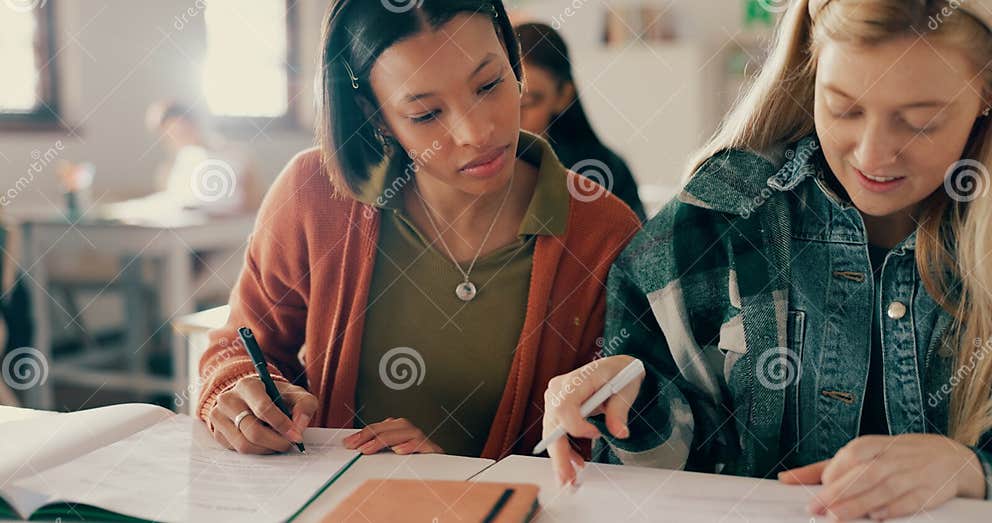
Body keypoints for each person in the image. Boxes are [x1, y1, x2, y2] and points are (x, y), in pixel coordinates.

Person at [542, 1, 992, 520]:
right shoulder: (722, 213)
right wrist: (636, 403)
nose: (873, 155)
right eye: (844, 109)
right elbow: (665, 476)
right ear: (811, 70)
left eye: (920, 122)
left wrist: (972, 470)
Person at [195, 0, 640, 459]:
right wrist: (238, 390)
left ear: (513, 62)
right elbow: (238, 349)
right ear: (375, 115)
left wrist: (451, 480)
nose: (476, 132)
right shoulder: (315, 194)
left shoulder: (603, 233)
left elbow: (616, 452)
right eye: (426, 113)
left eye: (490, 84)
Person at [515, 22, 646, 221]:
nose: (515, 114)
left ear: (563, 96)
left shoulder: (603, 172)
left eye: (528, 102)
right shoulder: (480, 167)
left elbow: (640, 238)